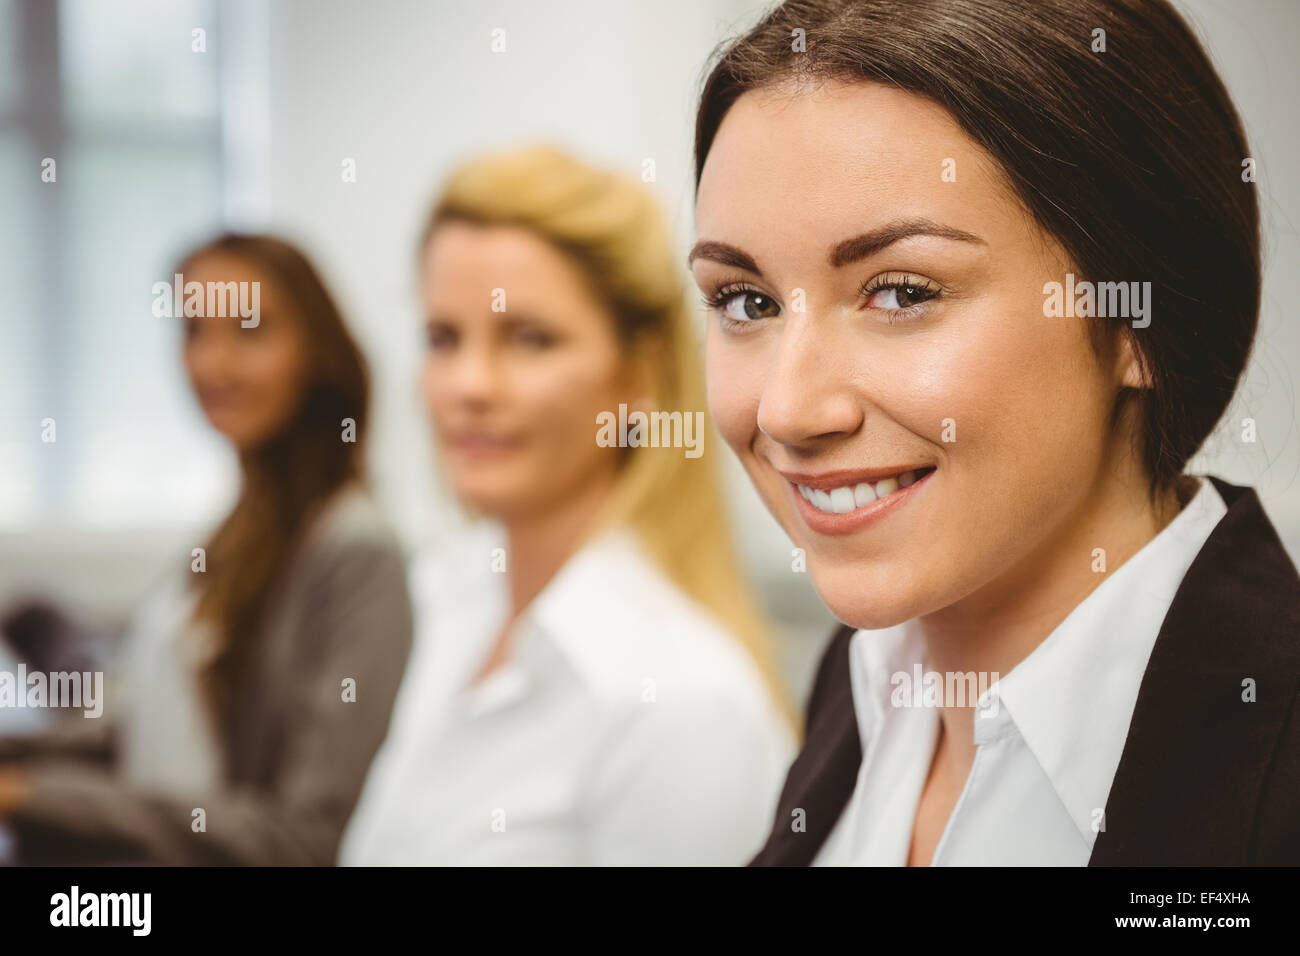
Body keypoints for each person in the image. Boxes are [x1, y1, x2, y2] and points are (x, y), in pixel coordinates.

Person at [688, 0, 1300, 865]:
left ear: (1138, 320)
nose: (787, 410)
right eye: (745, 301)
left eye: (902, 292)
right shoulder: (861, 681)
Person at [341, 145, 796, 865]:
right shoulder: (447, 600)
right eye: (443, 338)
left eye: (529, 339)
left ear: (638, 378)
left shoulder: (679, 701)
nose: (470, 385)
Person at [0, 234, 413, 865]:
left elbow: (303, 838)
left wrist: (32, 796)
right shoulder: (237, 532)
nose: (213, 363)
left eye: (248, 329)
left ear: (315, 350)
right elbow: (157, 725)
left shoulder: (355, 554)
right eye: (195, 330)